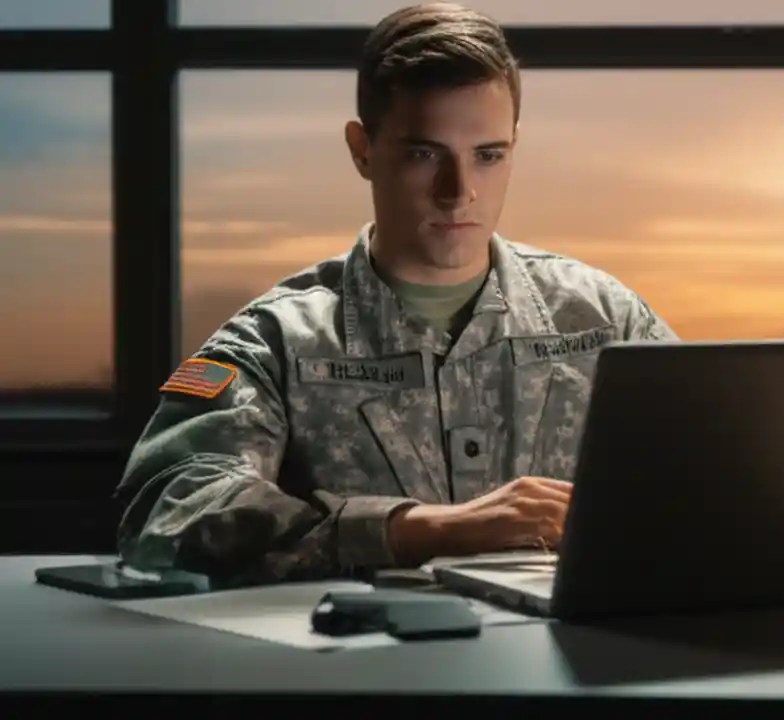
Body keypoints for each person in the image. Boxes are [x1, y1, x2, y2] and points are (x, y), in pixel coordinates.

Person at [112, 1, 678, 588]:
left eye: (488, 156)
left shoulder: (606, 320)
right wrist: (420, 531)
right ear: (362, 150)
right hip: (364, 670)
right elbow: (164, 511)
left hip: (570, 664)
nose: (459, 193)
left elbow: (730, 474)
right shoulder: (276, 341)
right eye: (424, 154)